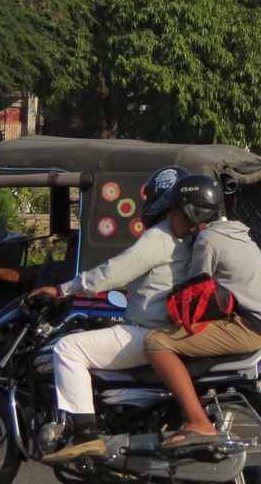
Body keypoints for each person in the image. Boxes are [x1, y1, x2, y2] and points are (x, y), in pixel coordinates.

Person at [30, 165, 193, 465]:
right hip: (173, 331)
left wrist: (62, 291)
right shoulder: (189, 238)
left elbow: (113, 272)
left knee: (68, 347)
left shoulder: (162, 236)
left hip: (147, 331)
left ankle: (85, 435)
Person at [143, 174, 261, 451]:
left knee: (156, 342)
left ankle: (199, 421)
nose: (170, 220)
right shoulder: (234, 231)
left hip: (250, 327)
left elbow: (193, 295)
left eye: (174, 213)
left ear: (192, 213)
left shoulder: (207, 240)